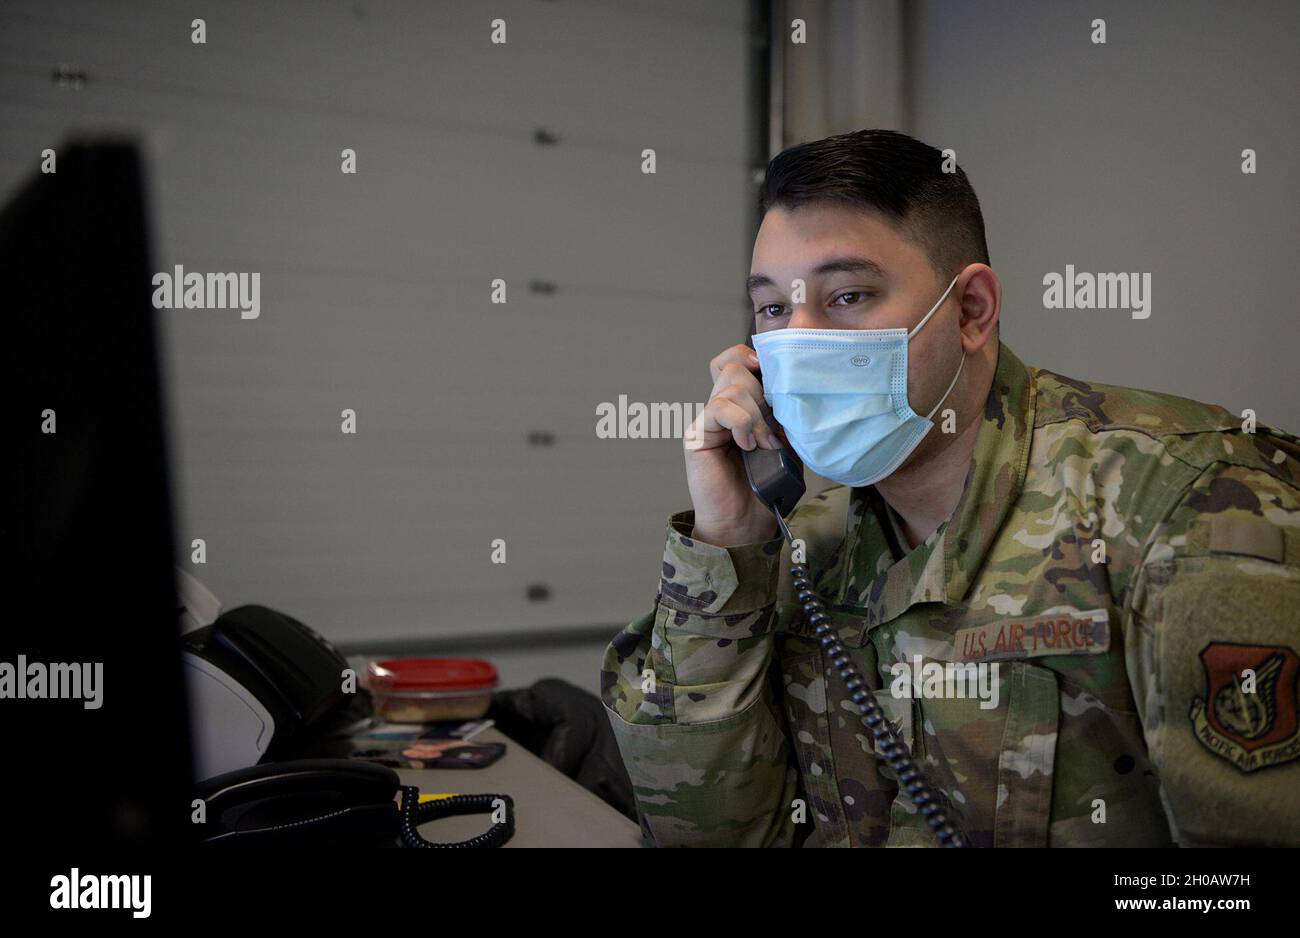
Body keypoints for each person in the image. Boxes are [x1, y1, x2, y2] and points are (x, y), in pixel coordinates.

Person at [600, 128, 1300, 847]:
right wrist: (727, 544)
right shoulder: (802, 543)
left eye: (846, 296)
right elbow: (707, 834)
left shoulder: (1185, 506)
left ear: (970, 311)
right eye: (775, 310)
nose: (800, 342)